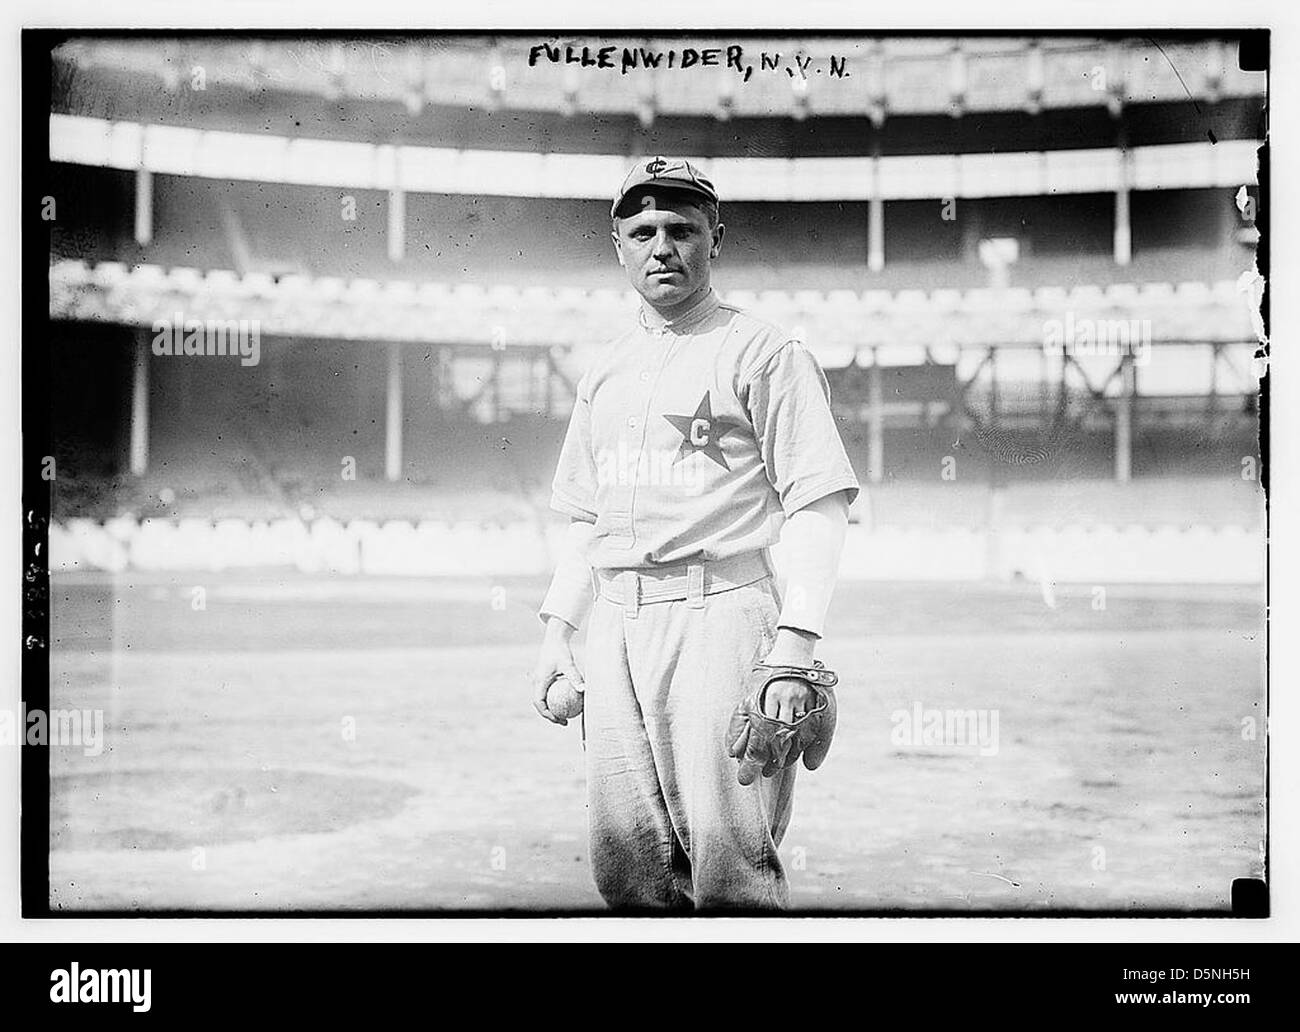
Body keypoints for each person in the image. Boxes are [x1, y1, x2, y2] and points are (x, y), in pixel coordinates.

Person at [531, 156, 859, 911]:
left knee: (730, 868)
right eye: (641, 230)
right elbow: (588, 517)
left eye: (682, 229)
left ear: (717, 238)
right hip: (616, 624)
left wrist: (793, 651)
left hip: (722, 614)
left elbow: (818, 502)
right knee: (628, 871)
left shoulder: (766, 352)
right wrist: (557, 631)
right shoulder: (605, 370)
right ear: (617, 246)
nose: (661, 246)